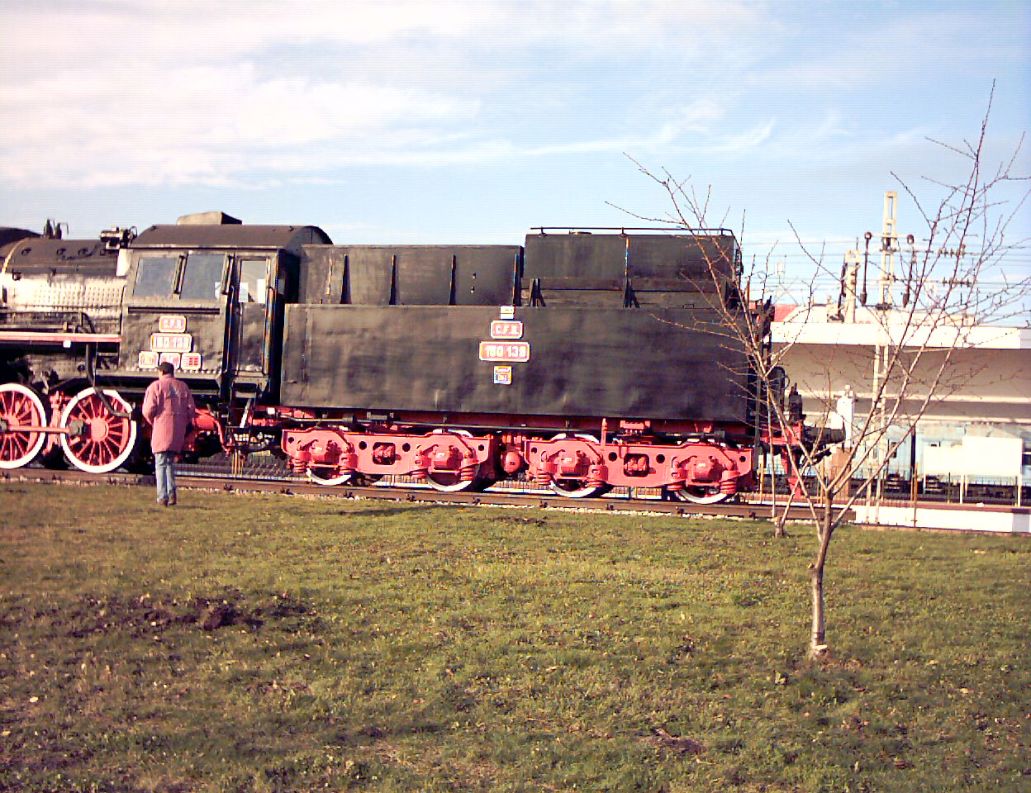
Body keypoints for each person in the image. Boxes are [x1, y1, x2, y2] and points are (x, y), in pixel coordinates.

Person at [142, 361, 196, 506]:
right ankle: (172, 495)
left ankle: (162, 496)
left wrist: (152, 421)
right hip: (177, 430)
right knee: (170, 463)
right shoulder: (183, 387)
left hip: (161, 427)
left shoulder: (156, 386)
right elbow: (191, 410)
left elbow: (148, 411)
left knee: (160, 463)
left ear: (161, 372)